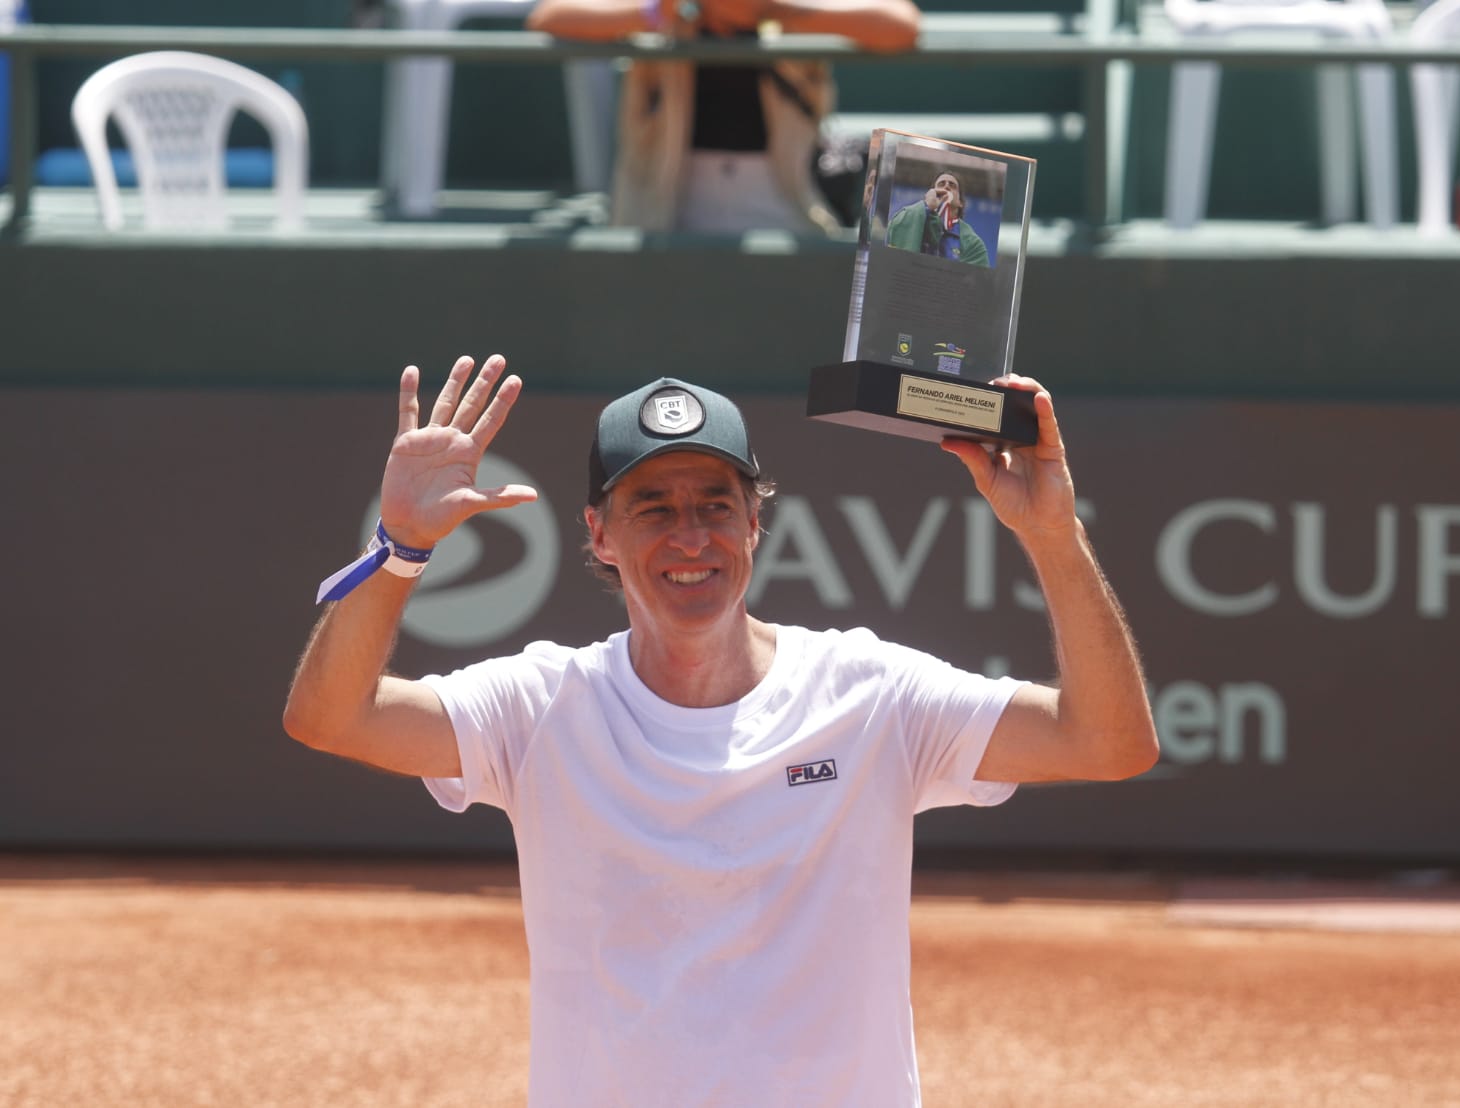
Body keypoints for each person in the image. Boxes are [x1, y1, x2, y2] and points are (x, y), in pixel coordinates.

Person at [284, 356, 1159, 1106]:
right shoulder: (543, 704)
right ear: (599, 535)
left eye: (715, 502)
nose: (690, 534)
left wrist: (1052, 535)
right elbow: (332, 718)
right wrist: (399, 547)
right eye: (653, 507)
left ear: (754, 520)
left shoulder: (870, 690)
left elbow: (1108, 743)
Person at [526, 0, 921, 233]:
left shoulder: (788, 15)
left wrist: (771, 9)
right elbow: (548, 16)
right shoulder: (664, 15)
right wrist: (660, 11)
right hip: (665, 217)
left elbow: (901, 25)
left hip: (789, 213)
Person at [885, 168, 990, 266]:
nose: (946, 186)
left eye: (952, 185)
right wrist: (927, 205)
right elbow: (893, 229)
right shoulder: (914, 218)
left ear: (960, 202)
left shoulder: (973, 244)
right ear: (931, 194)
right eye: (941, 184)